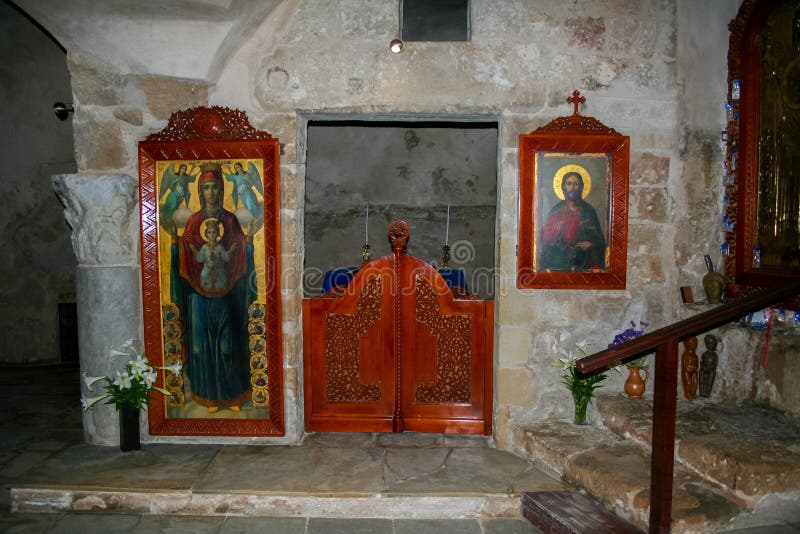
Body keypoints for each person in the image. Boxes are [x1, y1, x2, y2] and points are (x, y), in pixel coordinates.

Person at [167, 164, 259, 413]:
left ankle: (231, 396)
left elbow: (239, 252)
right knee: (200, 348)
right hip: (199, 297)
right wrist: (176, 244)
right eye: (206, 187)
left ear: (222, 189)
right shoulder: (194, 221)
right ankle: (207, 396)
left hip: (227, 297)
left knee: (227, 346)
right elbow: (188, 252)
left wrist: (248, 242)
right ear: (199, 191)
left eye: (215, 187)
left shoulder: (230, 220)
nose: (211, 192)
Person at [539, 171, 606, 271]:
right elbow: (546, 239)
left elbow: (600, 240)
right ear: (563, 187)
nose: (572, 188)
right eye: (569, 183)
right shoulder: (556, 210)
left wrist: (591, 244)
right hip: (559, 263)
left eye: (576, 184)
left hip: (585, 262)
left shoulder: (588, 211)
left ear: (581, 187)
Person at [189, 219, 237, 290]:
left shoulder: (220, 247)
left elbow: (225, 258)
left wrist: (231, 250)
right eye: (209, 232)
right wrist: (194, 250)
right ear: (206, 234)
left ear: (217, 234)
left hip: (219, 270)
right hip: (206, 271)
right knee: (204, 276)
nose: (211, 235)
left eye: (214, 232)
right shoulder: (204, 247)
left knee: (222, 280)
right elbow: (200, 259)